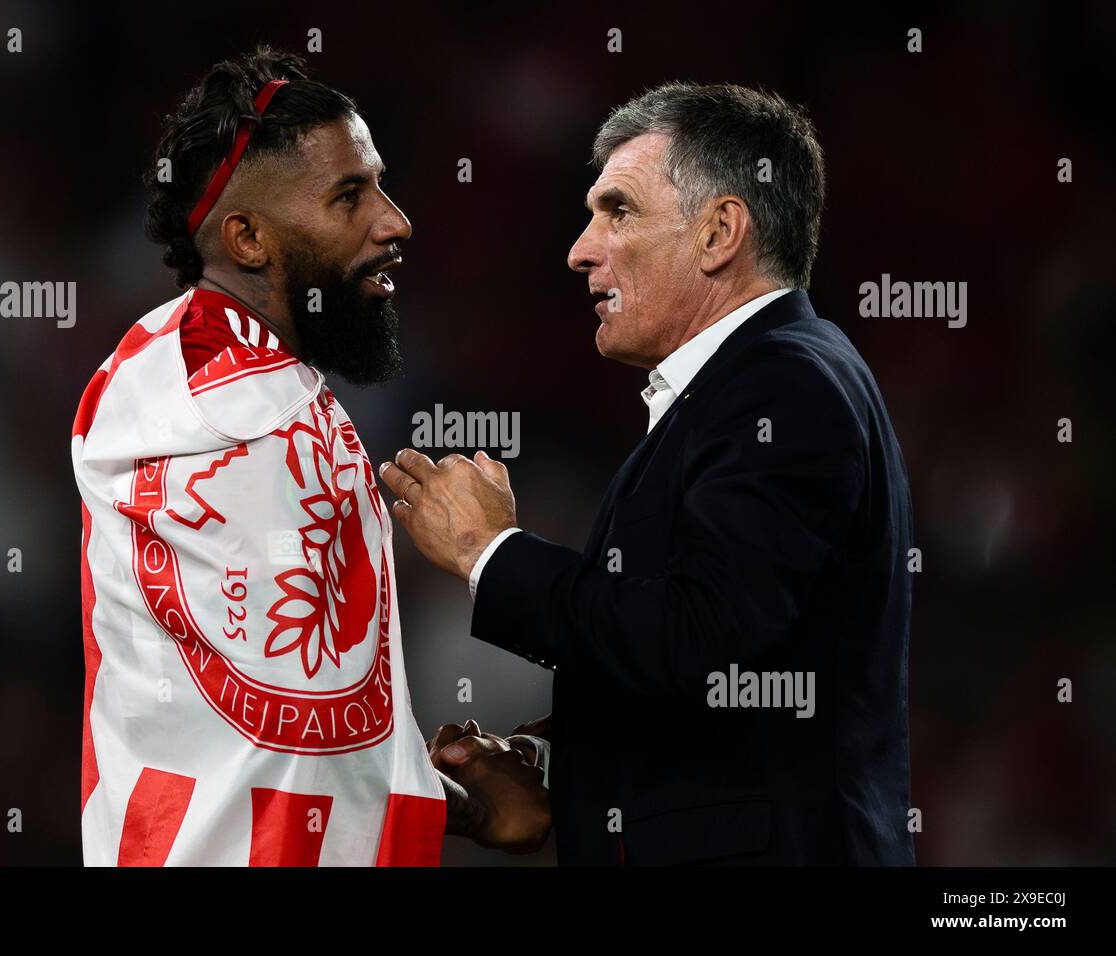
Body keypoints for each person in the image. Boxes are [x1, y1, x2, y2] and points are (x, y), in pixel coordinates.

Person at [381, 82, 916, 865]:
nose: (581, 249)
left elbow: (696, 642)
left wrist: (489, 552)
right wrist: (553, 766)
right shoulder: (752, 385)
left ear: (719, 232)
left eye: (618, 211)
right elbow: (730, 689)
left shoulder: (785, 389)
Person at [71, 46, 548, 865]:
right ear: (248, 236)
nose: (395, 220)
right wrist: (480, 807)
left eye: (381, 184)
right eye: (348, 196)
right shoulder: (242, 413)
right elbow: (307, 744)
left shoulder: (215, 372)